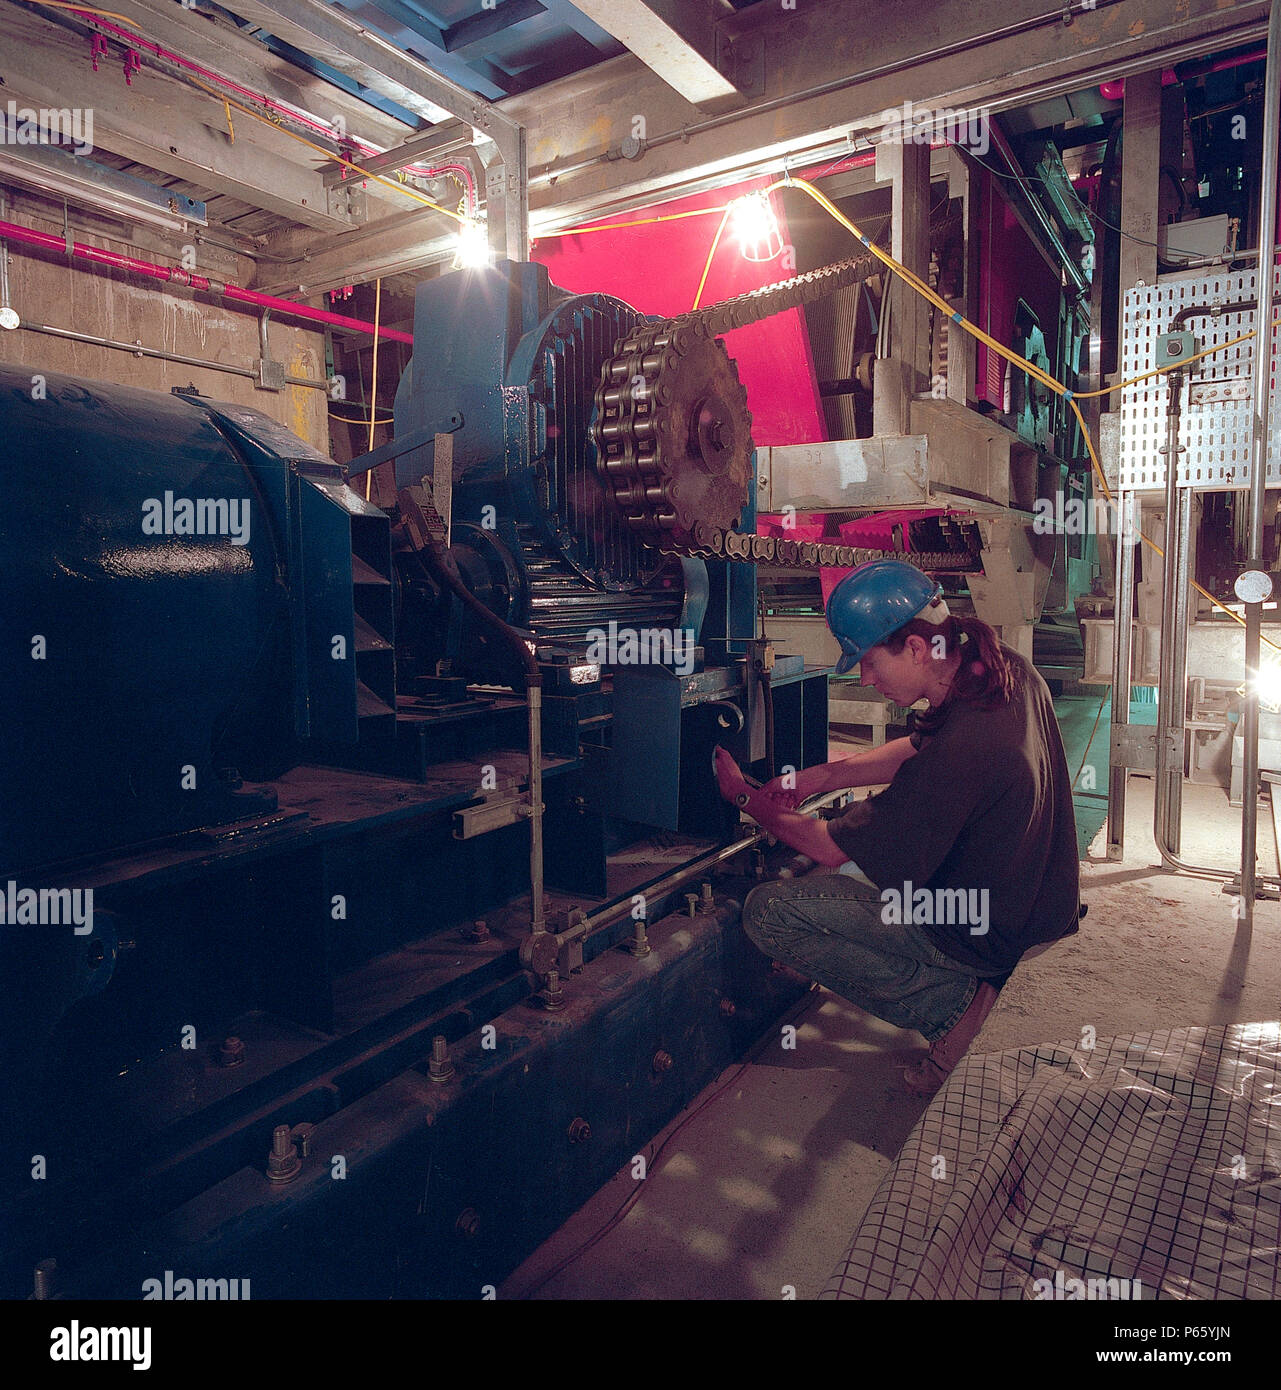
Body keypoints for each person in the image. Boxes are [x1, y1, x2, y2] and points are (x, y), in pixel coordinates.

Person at [713, 558, 1081, 1094]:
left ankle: (954, 1010)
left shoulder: (963, 752)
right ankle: (971, 983)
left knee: (772, 912)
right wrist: (818, 777)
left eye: (867, 662)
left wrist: (746, 797)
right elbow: (916, 747)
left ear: (914, 648)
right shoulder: (1003, 670)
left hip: (984, 929)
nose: (865, 679)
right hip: (1040, 903)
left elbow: (830, 847)